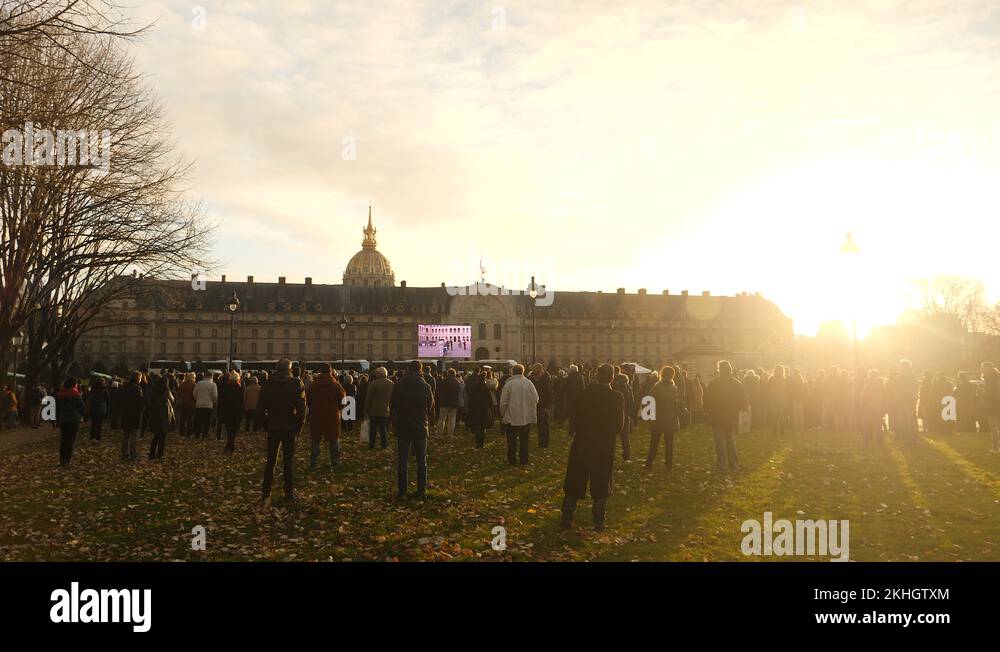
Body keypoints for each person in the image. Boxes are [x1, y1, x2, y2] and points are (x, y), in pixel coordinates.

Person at [561, 364, 624, 531]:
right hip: (604, 444)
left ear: (597, 376)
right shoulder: (617, 397)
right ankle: (599, 520)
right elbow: (619, 426)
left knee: (575, 479)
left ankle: (567, 517)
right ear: (612, 378)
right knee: (602, 481)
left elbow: (574, 417)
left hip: (583, 441)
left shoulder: (584, 394)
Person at [258, 359, 306, 503]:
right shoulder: (297, 384)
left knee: (270, 461)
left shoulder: (267, 384)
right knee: (288, 462)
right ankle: (289, 493)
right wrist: (298, 427)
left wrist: (265, 424)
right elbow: (302, 410)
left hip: (273, 425)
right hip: (289, 427)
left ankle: (266, 492)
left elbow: (260, 407)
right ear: (289, 369)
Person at [391, 361, 434, 499]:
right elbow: (430, 406)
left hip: (403, 425)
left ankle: (402, 491)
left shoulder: (398, 385)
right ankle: (421, 490)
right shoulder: (426, 386)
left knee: (402, 461)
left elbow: (393, 405)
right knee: (422, 461)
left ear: (409, 369)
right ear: (420, 370)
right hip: (420, 425)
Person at [703, 360, 745, 473]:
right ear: (730, 369)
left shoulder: (713, 383)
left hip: (716, 416)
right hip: (731, 416)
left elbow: (706, 400)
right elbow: (743, 401)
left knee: (720, 442)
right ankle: (734, 464)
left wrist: (707, 412)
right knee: (730, 441)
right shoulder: (737, 383)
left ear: (719, 370)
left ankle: (721, 464)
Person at [306, 363, 346, 468]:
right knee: (334, 439)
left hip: (316, 415)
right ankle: (335, 462)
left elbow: (308, 400)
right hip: (332, 416)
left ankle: (313, 462)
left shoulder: (313, 385)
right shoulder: (337, 385)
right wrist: (337, 409)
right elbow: (343, 401)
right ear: (331, 371)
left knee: (315, 440)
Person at [499, 364, 539, 465]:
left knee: (511, 440)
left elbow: (503, 402)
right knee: (524, 440)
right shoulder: (528, 383)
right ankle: (524, 459)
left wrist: (502, 414)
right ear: (522, 372)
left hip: (511, 416)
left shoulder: (509, 384)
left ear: (513, 372)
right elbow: (536, 398)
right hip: (526, 416)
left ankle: (512, 459)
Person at [645, 366, 681, 469]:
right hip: (670, 419)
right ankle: (668, 464)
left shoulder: (656, 387)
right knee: (669, 443)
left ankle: (649, 463)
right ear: (672, 376)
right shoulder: (674, 388)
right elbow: (678, 404)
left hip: (657, 418)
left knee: (654, 443)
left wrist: (649, 415)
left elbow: (648, 401)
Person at [55, 378, 86, 466]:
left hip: (63, 419)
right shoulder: (75, 394)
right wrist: (84, 415)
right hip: (73, 420)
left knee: (64, 439)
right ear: (74, 384)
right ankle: (67, 459)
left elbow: (57, 408)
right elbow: (82, 407)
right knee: (70, 440)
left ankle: (62, 459)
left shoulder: (60, 394)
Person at [364, 367, 394, 449]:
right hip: (385, 409)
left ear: (379, 374)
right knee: (383, 429)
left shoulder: (373, 383)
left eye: (377, 373)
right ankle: (384, 444)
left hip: (374, 410)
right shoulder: (391, 383)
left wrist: (366, 410)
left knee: (373, 429)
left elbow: (368, 398)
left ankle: (372, 445)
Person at [118, 372, 145, 462]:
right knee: (134, 436)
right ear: (138, 379)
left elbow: (120, 400)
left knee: (126, 435)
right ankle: (133, 454)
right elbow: (141, 403)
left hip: (125, 414)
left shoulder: (124, 387)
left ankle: (125, 453)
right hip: (135, 415)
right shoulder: (138, 389)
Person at [147, 374, 175, 460]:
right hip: (164, 416)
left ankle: (152, 454)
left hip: (156, 416)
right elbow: (172, 399)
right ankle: (160, 454)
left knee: (156, 436)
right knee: (162, 437)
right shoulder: (166, 392)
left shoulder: (154, 392)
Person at [466, 369, 495, 448]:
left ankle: (478, 442)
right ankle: (481, 443)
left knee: (477, 426)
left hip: (475, 409)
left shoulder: (474, 387)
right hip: (484, 409)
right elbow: (489, 400)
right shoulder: (486, 388)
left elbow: (471, 398)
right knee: (483, 427)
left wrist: (470, 407)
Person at [218, 371, 244, 453]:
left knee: (229, 428)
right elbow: (242, 400)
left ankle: (229, 445)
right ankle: (231, 445)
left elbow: (222, 400)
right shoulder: (240, 388)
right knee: (234, 428)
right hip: (237, 411)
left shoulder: (226, 388)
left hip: (227, 411)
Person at [530, 363, 554, 449]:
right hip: (539, 404)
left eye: (535, 370)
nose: (534, 372)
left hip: (544, 405)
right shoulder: (539, 378)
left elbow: (550, 394)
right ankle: (541, 443)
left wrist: (548, 407)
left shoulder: (546, 379)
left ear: (539, 370)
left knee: (544, 425)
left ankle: (545, 443)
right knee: (540, 425)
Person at [860, 369, 887, 445]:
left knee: (867, 424)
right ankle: (880, 440)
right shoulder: (882, 384)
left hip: (869, 407)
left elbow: (864, 396)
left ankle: (866, 441)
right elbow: (885, 396)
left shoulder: (868, 384)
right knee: (878, 424)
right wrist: (885, 406)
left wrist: (862, 404)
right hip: (879, 407)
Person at [436, 368, 461, 437]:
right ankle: (450, 435)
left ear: (448, 374)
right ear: (454, 374)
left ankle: (439, 434)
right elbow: (458, 392)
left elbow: (439, 391)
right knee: (452, 419)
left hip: (444, 402)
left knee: (442, 419)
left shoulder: (444, 381)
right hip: (454, 403)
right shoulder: (457, 382)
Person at [982, 363, 1000, 453]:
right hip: (995, 403)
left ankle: (995, 448)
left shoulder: (990, 378)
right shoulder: (996, 377)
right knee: (996, 426)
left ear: (987, 368)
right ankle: (996, 447)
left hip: (992, 404)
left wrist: (984, 393)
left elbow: (992, 392)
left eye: (983, 367)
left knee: (993, 426)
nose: (981, 369)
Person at [193, 372, 218, 439]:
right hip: (208, 405)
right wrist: (213, 401)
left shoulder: (199, 383)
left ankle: (197, 434)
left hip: (199, 404)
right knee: (207, 421)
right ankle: (204, 434)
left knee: (198, 420)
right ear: (211, 377)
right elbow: (215, 396)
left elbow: (194, 394)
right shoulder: (213, 385)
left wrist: (197, 399)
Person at [563, 364, 586, 437]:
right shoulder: (580, 377)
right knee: (578, 415)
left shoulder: (567, 378)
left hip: (570, 399)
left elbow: (564, 389)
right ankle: (578, 430)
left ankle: (571, 431)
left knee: (571, 416)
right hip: (579, 399)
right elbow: (583, 388)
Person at [175, 372, 196, 438]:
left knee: (182, 418)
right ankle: (188, 433)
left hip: (183, 403)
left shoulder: (182, 384)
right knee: (190, 419)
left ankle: (182, 433)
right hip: (191, 403)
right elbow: (195, 395)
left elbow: (178, 393)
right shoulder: (194, 385)